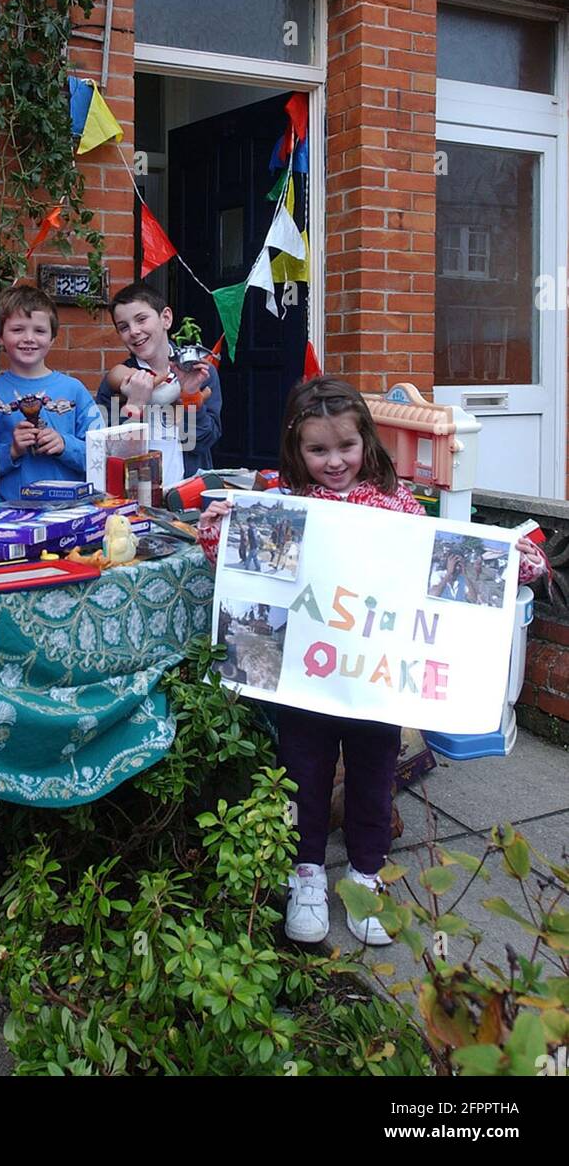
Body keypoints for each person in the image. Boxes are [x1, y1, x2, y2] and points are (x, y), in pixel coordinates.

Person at [197, 375, 550, 947]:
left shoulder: (398, 505)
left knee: (373, 781)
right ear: (296, 450)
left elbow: (444, 568)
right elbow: (246, 574)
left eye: (346, 447)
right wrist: (219, 534)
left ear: (367, 441)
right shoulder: (287, 505)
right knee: (302, 780)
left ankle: (366, 877)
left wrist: (514, 560)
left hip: (378, 682)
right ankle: (306, 873)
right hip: (304, 684)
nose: (334, 461)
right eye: (318, 450)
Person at [0, 285, 103, 500]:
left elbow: (102, 454)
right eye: (17, 330)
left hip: (68, 511)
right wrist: (12, 451)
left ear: (53, 338)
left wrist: (65, 445)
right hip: (8, 513)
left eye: (39, 330)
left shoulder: (74, 390)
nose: (29, 338)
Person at [95, 283, 221, 488]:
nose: (134, 331)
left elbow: (202, 442)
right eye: (123, 327)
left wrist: (191, 397)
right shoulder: (117, 382)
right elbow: (110, 454)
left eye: (141, 319)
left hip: (186, 495)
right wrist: (135, 405)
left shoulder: (201, 373)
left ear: (166, 318)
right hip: (134, 495)